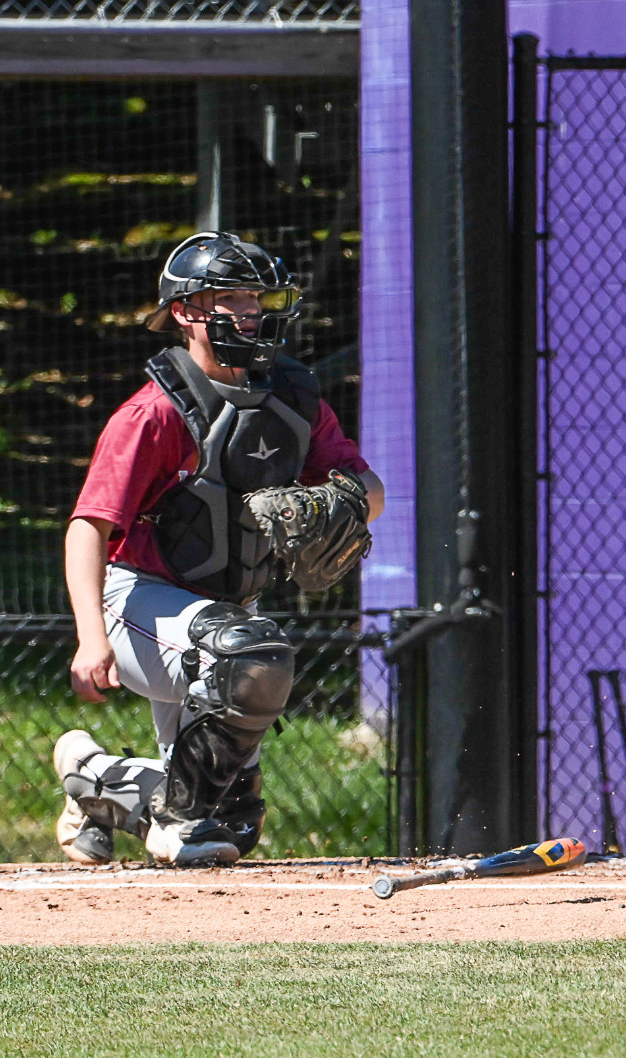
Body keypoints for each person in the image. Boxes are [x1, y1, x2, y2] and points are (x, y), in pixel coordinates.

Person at [55, 232, 382, 866]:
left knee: (233, 826)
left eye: (256, 297)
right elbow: (87, 527)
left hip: (224, 612)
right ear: (184, 312)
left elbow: (369, 487)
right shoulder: (153, 413)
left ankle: (95, 780)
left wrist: (334, 503)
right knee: (254, 654)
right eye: (228, 297)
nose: (249, 310)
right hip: (138, 601)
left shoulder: (291, 398)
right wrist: (90, 637)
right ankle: (173, 822)